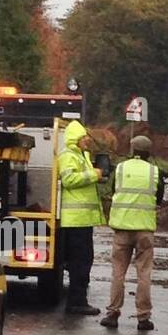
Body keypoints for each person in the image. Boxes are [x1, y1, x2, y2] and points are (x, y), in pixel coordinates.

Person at [100, 134, 165, 332]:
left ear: (132, 150)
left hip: (122, 229)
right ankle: (143, 318)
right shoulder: (155, 172)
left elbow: (112, 190)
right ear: (148, 152)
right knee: (144, 273)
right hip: (144, 230)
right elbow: (159, 199)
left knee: (118, 272)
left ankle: (112, 314)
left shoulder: (120, 168)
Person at [57, 119, 105, 315]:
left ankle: (78, 300)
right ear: (75, 139)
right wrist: (94, 174)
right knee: (80, 263)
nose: (87, 139)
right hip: (76, 220)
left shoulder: (80, 155)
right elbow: (68, 180)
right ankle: (77, 302)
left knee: (83, 261)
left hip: (81, 219)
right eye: (83, 136)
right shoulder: (69, 156)